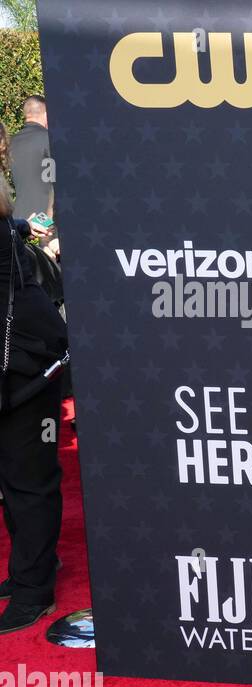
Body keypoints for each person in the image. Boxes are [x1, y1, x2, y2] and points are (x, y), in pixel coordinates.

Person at [0, 143, 65, 634]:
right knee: (14, 479)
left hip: (24, 366)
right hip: (21, 358)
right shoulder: (7, 228)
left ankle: (33, 591)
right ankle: (29, 571)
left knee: (27, 481)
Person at [9, 95, 53, 230]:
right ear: (46, 114)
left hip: (19, 222)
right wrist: (47, 221)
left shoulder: (10, 142)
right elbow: (56, 183)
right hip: (46, 224)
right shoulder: (50, 139)